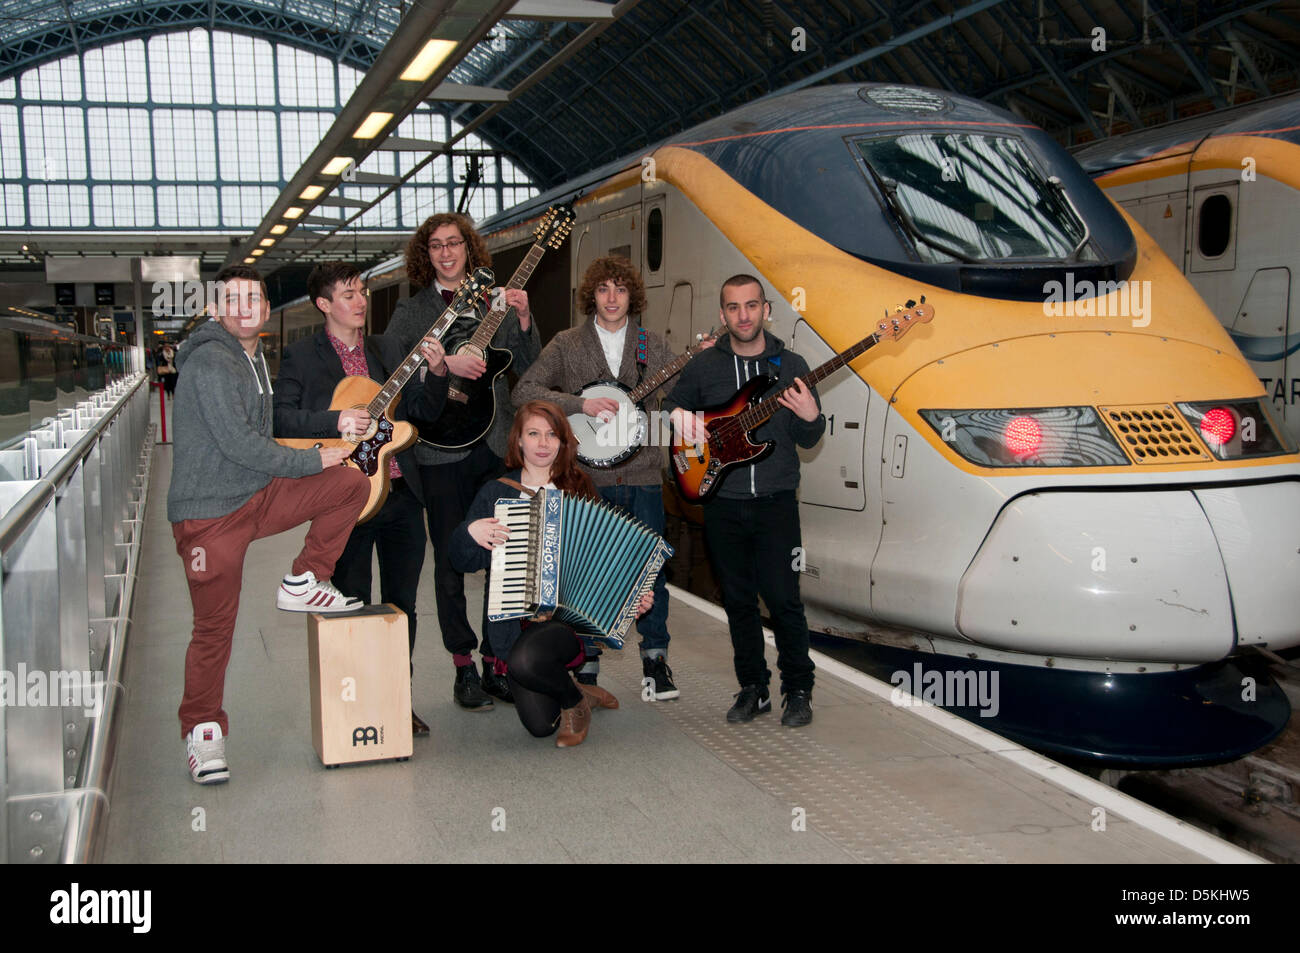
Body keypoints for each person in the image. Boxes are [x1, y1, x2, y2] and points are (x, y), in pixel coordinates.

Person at [168, 264, 370, 784]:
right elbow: (238, 444)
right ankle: (203, 730)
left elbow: (268, 431)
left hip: (256, 494)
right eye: (232, 300)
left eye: (253, 299)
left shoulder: (252, 355)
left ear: (264, 308)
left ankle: (304, 578)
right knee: (214, 629)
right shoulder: (213, 362)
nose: (243, 308)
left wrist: (323, 455)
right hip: (210, 515)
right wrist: (311, 460)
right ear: (216, 309)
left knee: (350, 485)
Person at [273, 261, 450, 737]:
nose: (360, 302)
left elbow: (420, 414)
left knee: (402, 606)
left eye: (363, 293)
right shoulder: (301, 357)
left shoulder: (388, 349)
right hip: (343, 501)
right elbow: (281, 421)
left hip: (400, 496)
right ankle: (354, 705)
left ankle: (398, 698)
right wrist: (335, 424)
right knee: (350, 603)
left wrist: (435, 374)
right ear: (324, 305)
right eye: (349, 295)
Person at [512, 255, 696, 700]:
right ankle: (586, 658)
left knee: (648, 570)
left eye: (620, 289)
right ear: (590, 296)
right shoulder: (567, 343)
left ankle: (656, 660)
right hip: (587, 480)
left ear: (632, 296)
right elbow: (525, 391)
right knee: (590, 568)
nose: (612, 298)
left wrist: (675, 414)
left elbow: (678, 398)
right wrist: (580, 406)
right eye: (602, 290)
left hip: (643, 474)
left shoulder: (652, 345)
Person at [385, 213, 541, 712]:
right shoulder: (412, 313)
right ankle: (462, 665)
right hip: (439, 449)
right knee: (452, 559)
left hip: (494, 444)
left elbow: (528, 362)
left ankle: (500, 662)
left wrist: (521, 318)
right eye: (436, 246)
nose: (447, 253)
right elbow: (394, 377)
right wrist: (444, 365)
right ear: (425, 255)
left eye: (455, 244)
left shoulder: (490, 299)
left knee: (505, 554)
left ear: (469, 249)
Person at [664, 274, 825, 727]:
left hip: (775, 503)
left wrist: (812, 418)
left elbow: (807, 437)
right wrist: (678, 416)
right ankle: (753, 688)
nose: (744, 315)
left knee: (784, 599)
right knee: (737, 600)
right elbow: (666, 409)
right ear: (722, 315)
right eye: (733, 308)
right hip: (721, 501)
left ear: (766, 309)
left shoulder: (790, 365)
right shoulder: (703, 368)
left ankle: (797, 689)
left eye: (751, 306)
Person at [449, 400, 650, 746]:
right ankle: (576, 691)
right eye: (534, 434)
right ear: (519, 441)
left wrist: (631, 598)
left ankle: (574, 702)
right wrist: (469, 534)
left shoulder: (579, 488)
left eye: (552, 435)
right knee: (541, 726)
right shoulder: (497, 493)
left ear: (563, 442)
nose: (543, 443)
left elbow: (606, 558)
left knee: (525, 662)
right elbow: (462, 561)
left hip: (566, 625)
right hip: (512, 626)